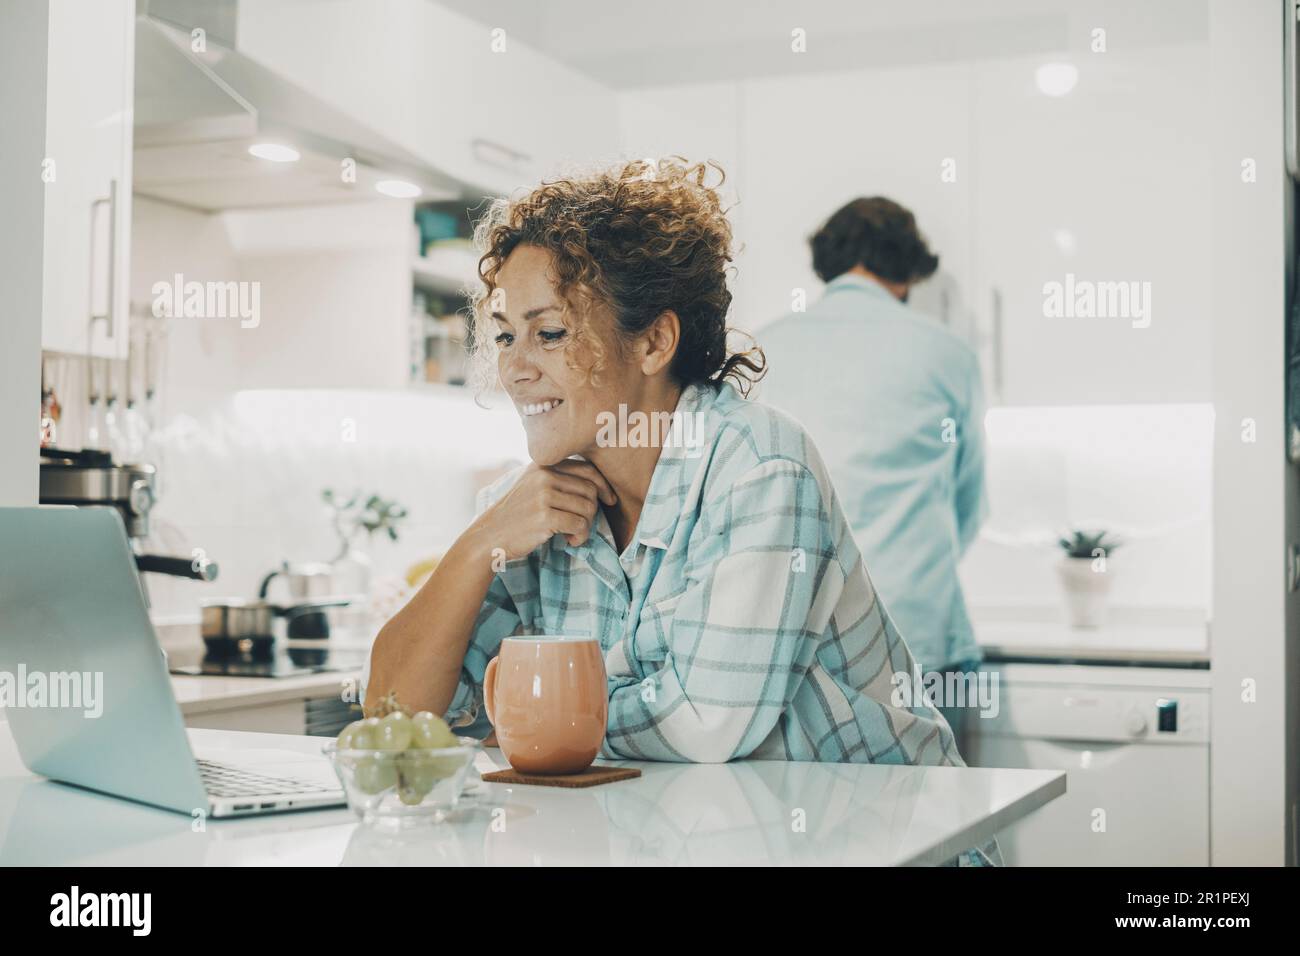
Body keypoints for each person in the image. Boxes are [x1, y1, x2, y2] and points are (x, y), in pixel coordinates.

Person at [364, 162, 996, 864]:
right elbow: (397, 716)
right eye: (505, 335)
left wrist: (518, 722)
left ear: (654, 342)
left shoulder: (758, 465)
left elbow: (707, 721)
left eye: (549, 335)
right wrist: (477, 545)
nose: (513, 368)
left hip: (899, 845)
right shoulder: (523, 509)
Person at [758, 197, 989, 748]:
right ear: (908, 272)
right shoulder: (948, 353)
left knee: (810, 825)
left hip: (797, 638)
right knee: (941, 821)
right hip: (919, 636)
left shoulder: (762, 348)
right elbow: (970, 503)